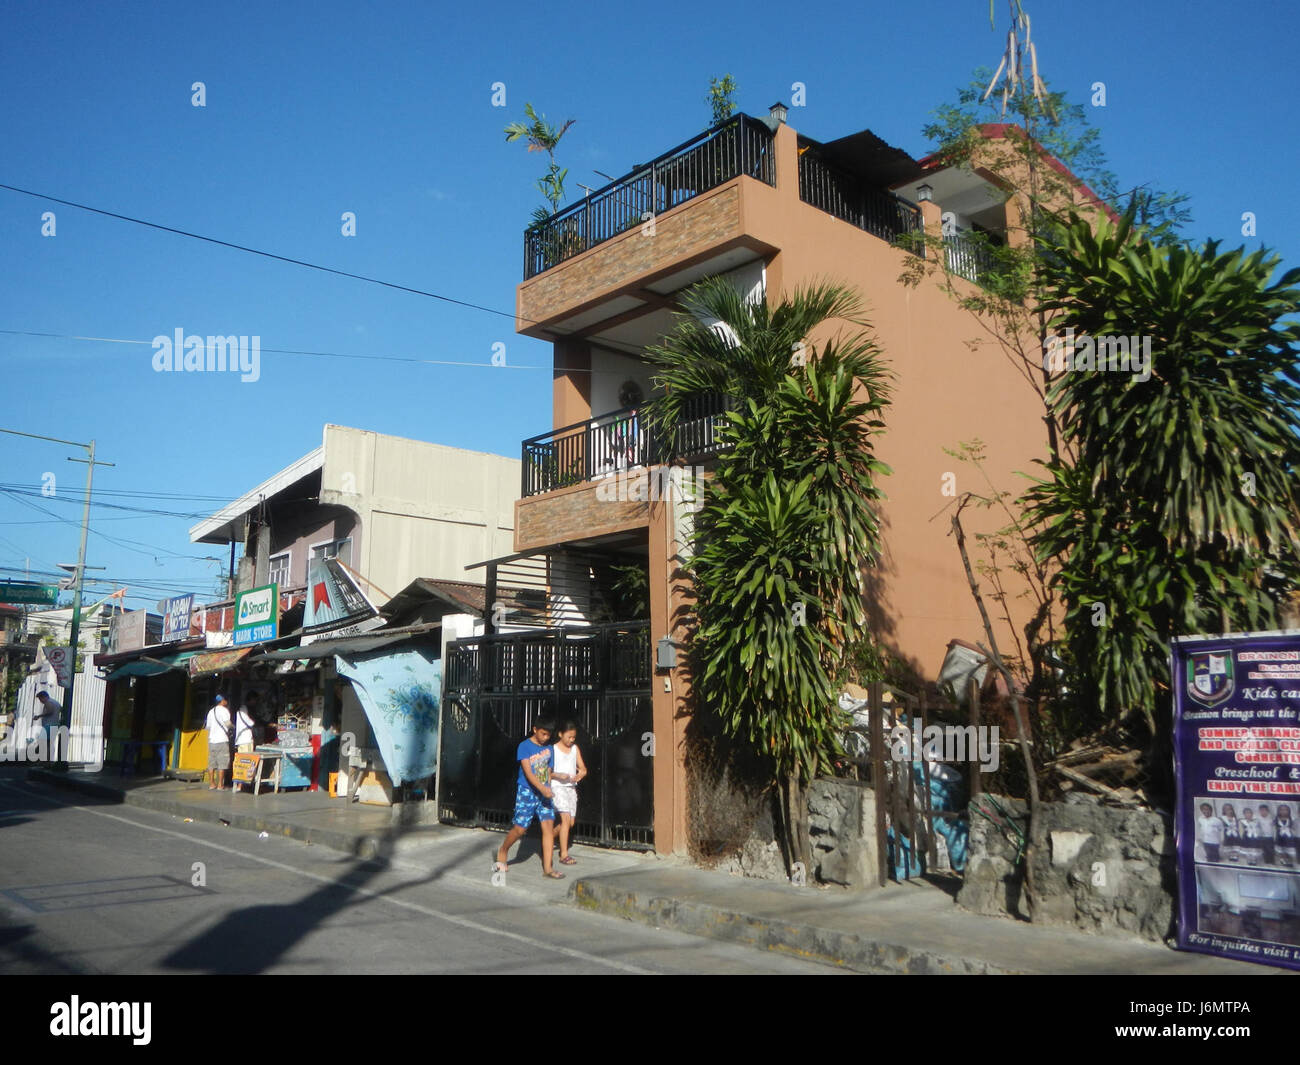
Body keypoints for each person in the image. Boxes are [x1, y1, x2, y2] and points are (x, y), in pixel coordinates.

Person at [493, 716, 561, 879]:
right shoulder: (524, 747)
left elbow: (548, 770)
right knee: (520, 828)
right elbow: (528, 773)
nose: (546, 738)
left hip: (544, 793)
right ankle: (503, 850)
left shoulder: (550, 748)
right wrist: (541, 788)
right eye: (543, 734)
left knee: (548, 828)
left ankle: (548, 868)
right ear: (535, 729)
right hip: (527, 791)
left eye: (548, 735)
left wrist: (548, 787)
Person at [550, 721, 587, 866]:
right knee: (565, 820)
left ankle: (548, 838)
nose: (571, 740)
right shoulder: (552, 749)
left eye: (573, 737)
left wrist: (580, 774)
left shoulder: (575, 749)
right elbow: (547, 773)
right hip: (557, 787)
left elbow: (583, 768)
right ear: (560, 734)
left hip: (571, 788)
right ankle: (563, 854)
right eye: (569, 737)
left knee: (570, 823)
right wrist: (558, 775)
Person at [204, 695, 234, 790]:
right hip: (222, 740)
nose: (227, 701)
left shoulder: (210, 712)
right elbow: (228, 724)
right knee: (222, 763)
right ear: (222, 701)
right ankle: (220, 784)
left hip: (212, 740)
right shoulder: (224, 711)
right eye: (225, 700)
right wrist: (233, 727)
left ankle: (212, 783)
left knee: (211, 763)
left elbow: (207, 727)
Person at [33, 691, 63, 761]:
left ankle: (41, 758)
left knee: (43, 743)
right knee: (49, 744)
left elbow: (50, 711)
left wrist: (39, 716)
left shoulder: (48, 702)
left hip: (49, 726)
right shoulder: (56, 702)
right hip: (55, 725)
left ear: (43, 697)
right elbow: (61, 710)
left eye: (40, 699)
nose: (40, 701)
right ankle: (47, 761)